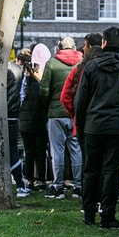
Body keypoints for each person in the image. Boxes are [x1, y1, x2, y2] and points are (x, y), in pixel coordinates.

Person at [74, 27, 119, 229]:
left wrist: (81, 126)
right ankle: (108, 216)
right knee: (112, 171)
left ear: (104, 43)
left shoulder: (91, 67)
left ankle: (89, 214)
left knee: (90, 170)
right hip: (117, 127)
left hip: (94, 125)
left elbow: (81, 100)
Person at [40, 36, 83, 199]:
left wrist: (49, 104)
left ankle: (57, 186)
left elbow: (44, 91)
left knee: (56, 151)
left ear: (60, 47)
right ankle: (78, 186)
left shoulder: (52, 63)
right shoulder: (81, 63)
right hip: (75, 113)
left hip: (56, 113)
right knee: (76, 149)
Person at [19, 45, 51, 190]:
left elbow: (21, 97)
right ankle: (42, 180)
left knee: (29, 152)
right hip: (40, 119)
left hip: (25, 119)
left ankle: (29, 179)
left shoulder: (24, 76)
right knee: (41, 151)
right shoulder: (45, 76)